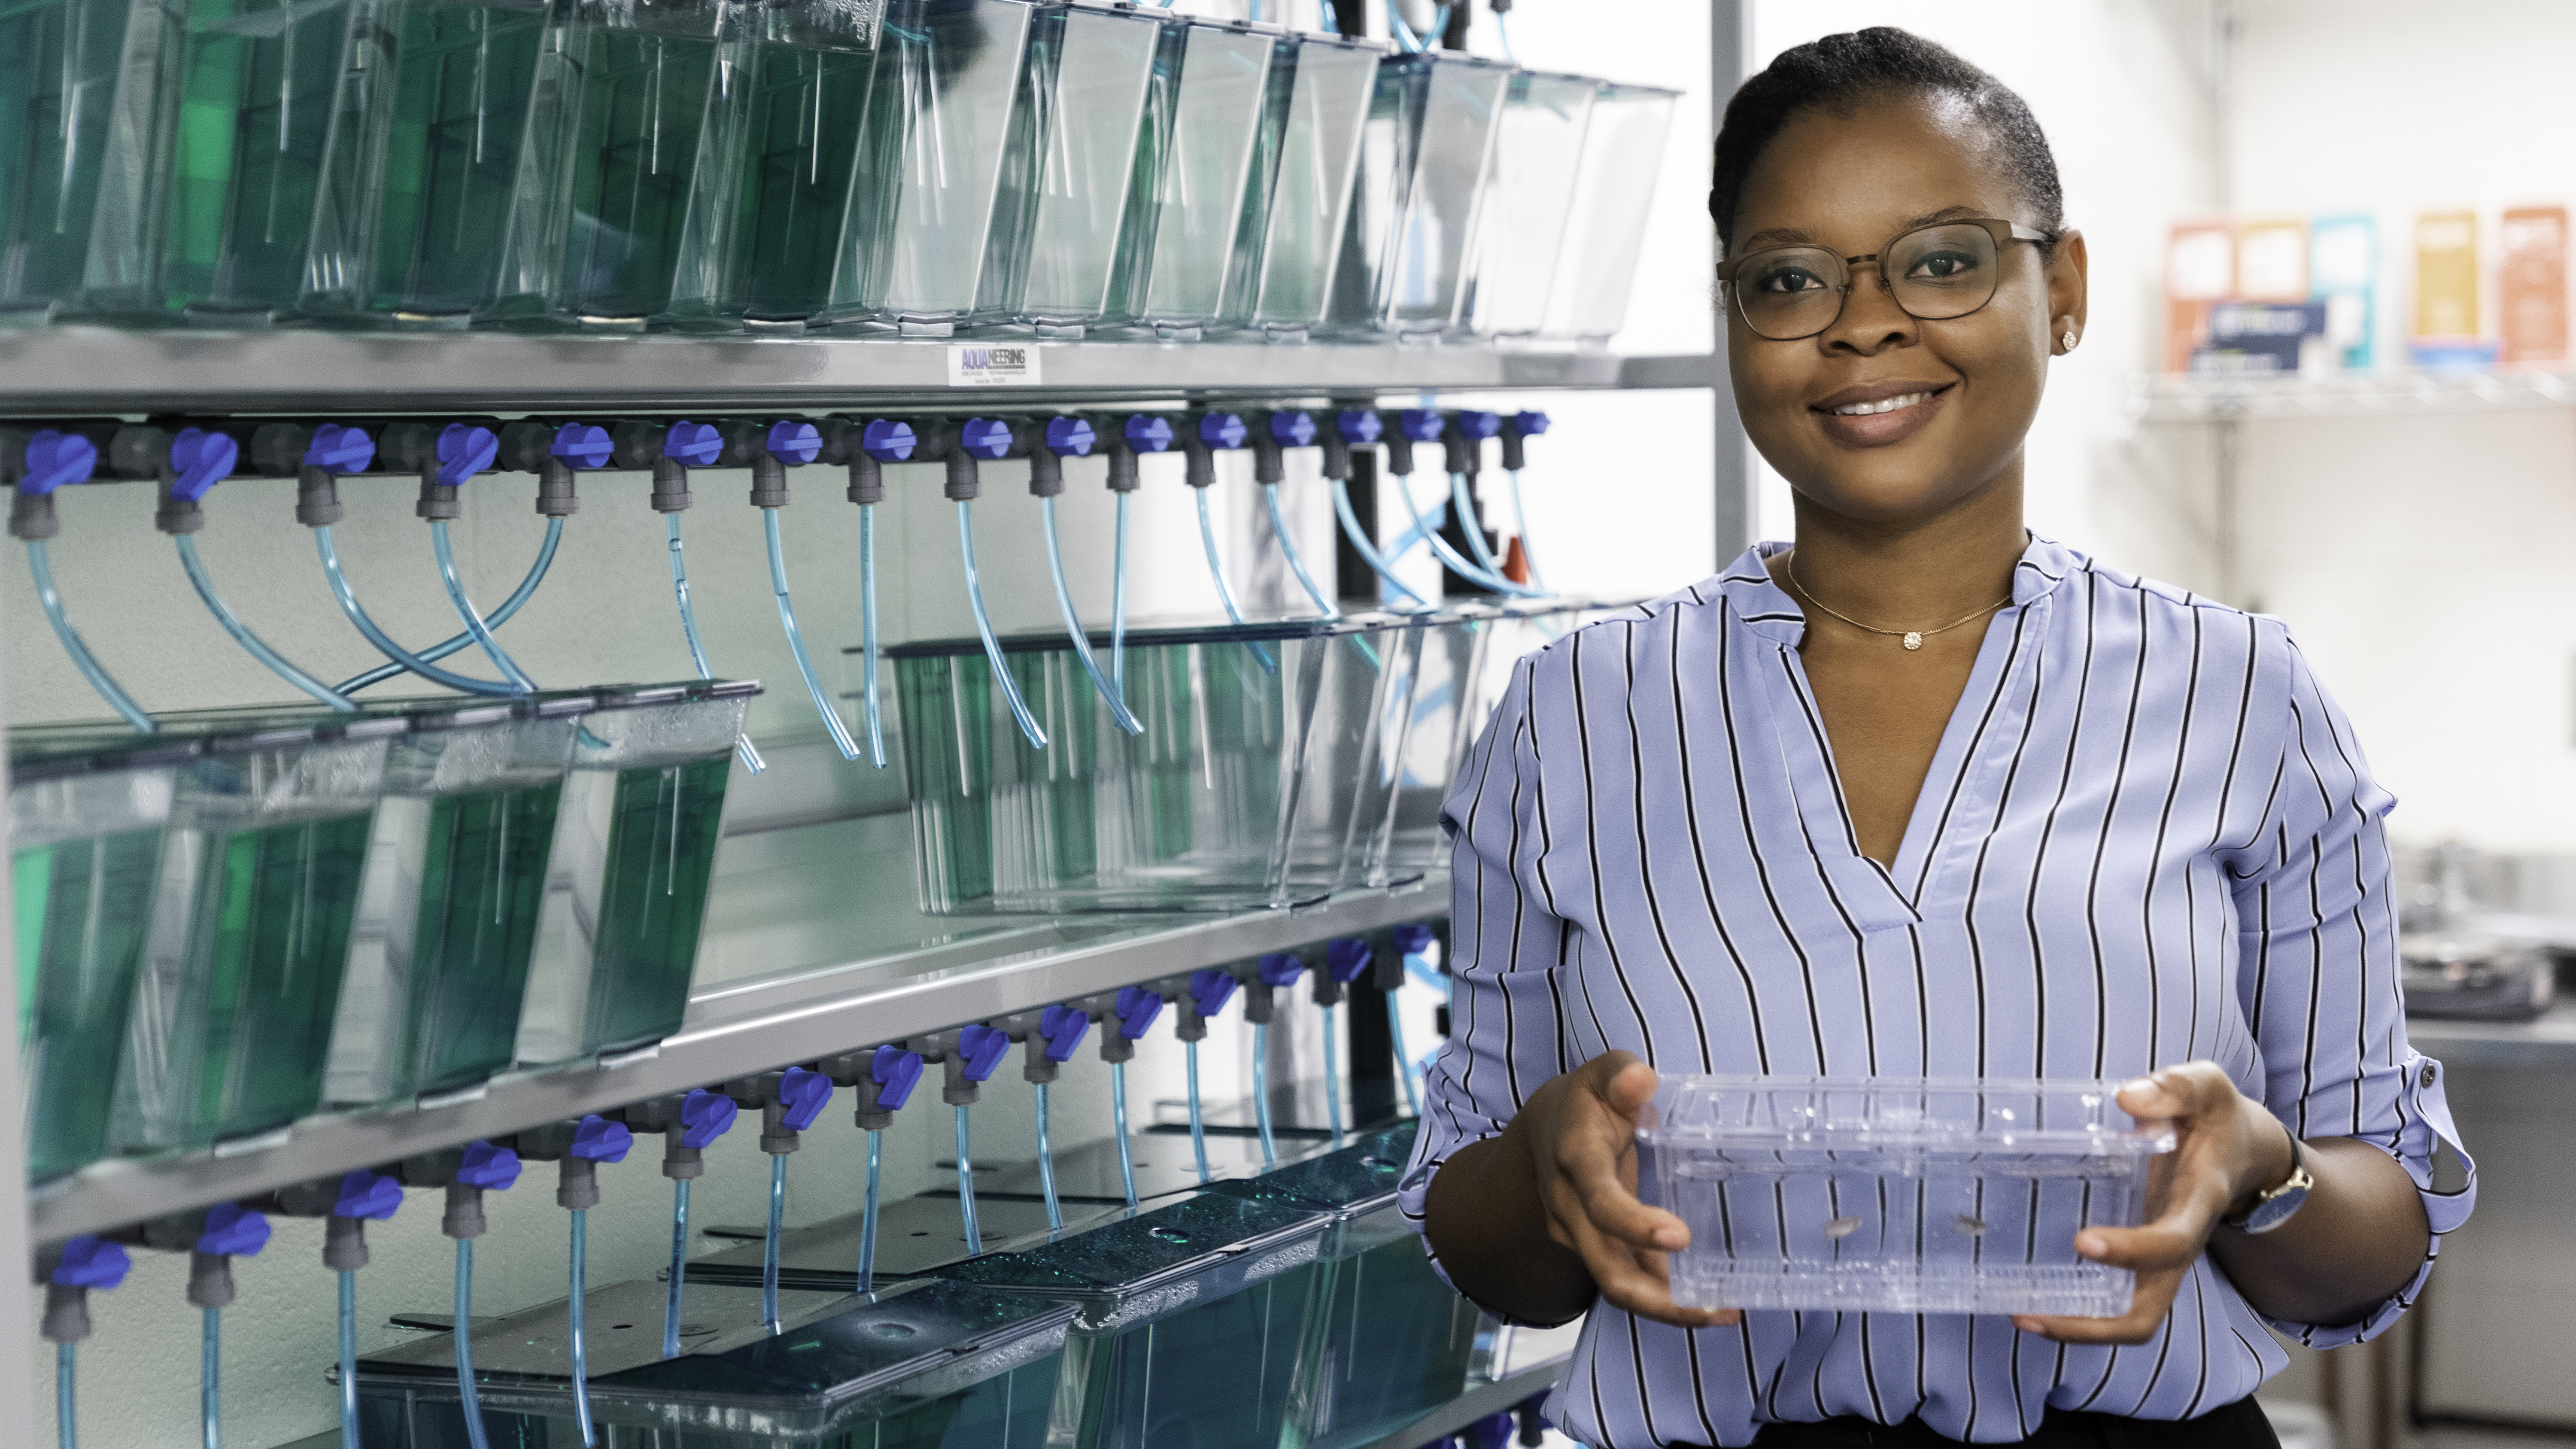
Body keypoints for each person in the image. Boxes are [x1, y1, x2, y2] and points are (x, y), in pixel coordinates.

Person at [1400, 27, 2474, 1449]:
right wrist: (1546, 1161)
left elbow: (2381, 1234)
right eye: (1790, 279)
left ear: (2062, 289)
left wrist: (2261, 1168)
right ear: (1734, 316)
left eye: (1944, 261)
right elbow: (1480, 1242)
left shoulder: (2241, 694)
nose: (1862, 324)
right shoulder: (1573, 714)